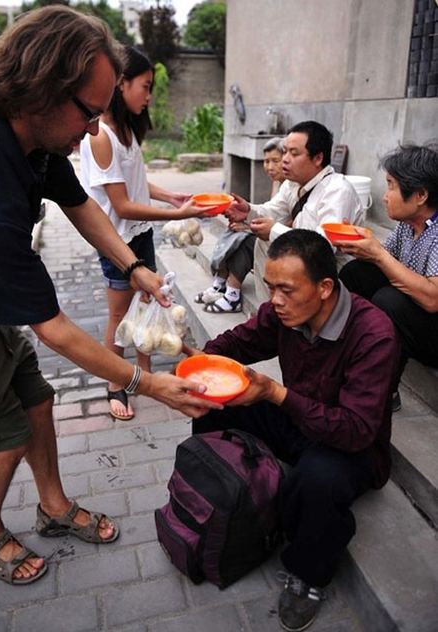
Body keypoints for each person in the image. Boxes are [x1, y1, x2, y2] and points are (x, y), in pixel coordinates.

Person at [0, 6, 220, 586]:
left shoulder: (31, 133)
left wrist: (133, 267)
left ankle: (53, 507)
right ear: (40, 90)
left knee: (36, 398)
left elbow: (79, 203)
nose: (96, 126)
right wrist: (148, 383)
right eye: (90, 111)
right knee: (5, 430)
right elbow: (53, 326)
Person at [185, 230, 400, 631]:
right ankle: (224, 495)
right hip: (299, 420)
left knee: (315, 480)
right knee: (214, 408)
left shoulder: (374, 334)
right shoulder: (280, 314)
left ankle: (309, 575)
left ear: (324, 288)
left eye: (286, 289)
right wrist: (197, 361)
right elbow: (236, 343)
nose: (276, 301)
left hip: (351, 446)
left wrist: (275, 394)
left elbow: (355, 430)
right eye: (270, 288)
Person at [80, 46, 207, 421]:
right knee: (119, 316)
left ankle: (145, 374)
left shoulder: (126, 131)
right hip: (116, 240)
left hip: (140, 234)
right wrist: (176, 213)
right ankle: (115, 383)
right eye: (145, 86)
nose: (149, 96)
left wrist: (172, 195)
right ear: (121, 84)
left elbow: (135, 183)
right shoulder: (100, 135)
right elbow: (122, 205)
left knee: (149, 302)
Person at [338, 144, 438, 412]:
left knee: (388, 301)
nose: (385, 196)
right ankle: (347, 355)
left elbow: (432, 299)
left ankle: (385, 391)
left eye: (391, 186)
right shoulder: (408, 225)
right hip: (416, 312)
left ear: (420, 195)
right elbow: (383, 258)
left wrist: (378, 255)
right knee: (356, 273)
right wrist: (360, 244)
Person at [226, 120, 364, 303]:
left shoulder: (338, 190)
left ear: (318, 158)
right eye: (285, 151)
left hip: (331, 273)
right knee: (263, 242)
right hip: (302, 260)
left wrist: (274, 230)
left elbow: (323, 248)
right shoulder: (292, 185)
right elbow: (273, 211)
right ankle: (268, 313)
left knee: (269, 240)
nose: (285, 159)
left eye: (294, 153)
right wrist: (248, 211)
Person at [194, 137, 286, 313]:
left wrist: (248, 227)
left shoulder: (293, 185)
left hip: (283, 239)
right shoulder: (279, 183)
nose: (269, 166)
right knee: (234, 229)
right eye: (266, 161)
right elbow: (271, 211)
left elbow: (286, 222)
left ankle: (232, 295)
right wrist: (245, 220)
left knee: (244, 240)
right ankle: (220, 283)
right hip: (273, 232)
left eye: (275, 161)